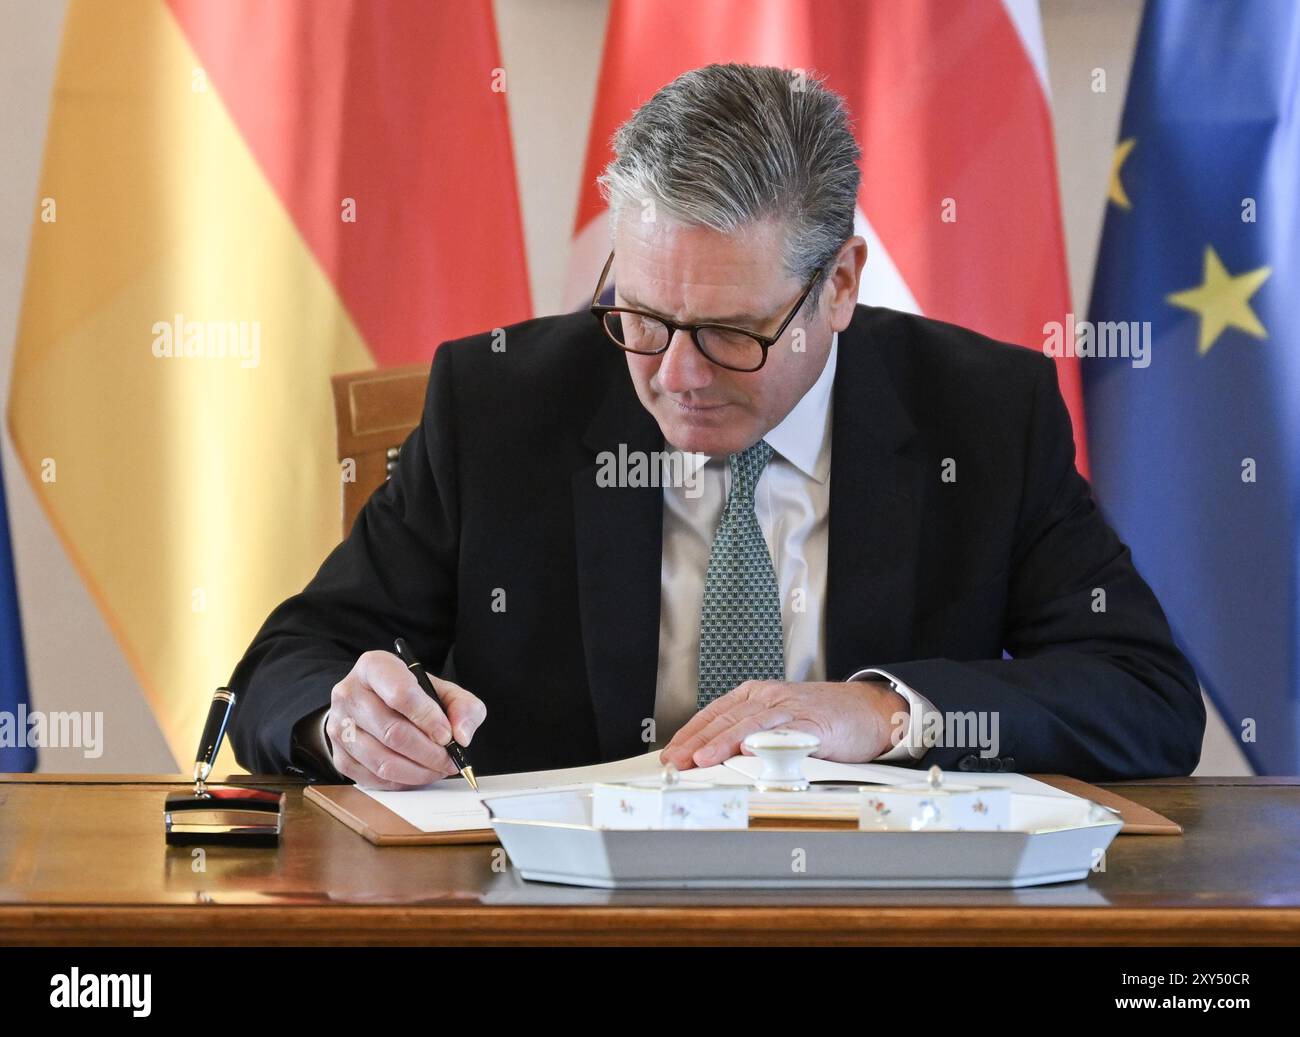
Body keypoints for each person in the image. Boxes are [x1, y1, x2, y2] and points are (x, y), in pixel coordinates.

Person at [228, 63, 1203, 789]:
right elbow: (289, 663)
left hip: (880, 919)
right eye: (642, 318)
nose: (676, 376)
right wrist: (341, 720)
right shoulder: (500, 403)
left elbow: (1144, 697)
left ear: (840, 285)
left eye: (734, 332)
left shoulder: (982, 413)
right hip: (553, 919)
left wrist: (881, 710)